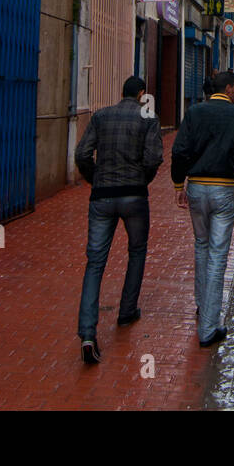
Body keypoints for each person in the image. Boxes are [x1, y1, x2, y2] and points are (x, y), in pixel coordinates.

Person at [74, 76, 163, 365]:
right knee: (136, 252)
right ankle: (127, 310)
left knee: (95, 262)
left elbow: (82, 153)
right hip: (134, 196)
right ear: (140, 94)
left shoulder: (101, 116)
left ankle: (88, 333)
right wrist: (141, 180)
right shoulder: (148, 118)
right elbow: (153, 158)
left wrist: (94, 178)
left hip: (102, 196)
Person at [171, 70, 234, 347]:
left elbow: (179, 151)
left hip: (196, 187)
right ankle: (209, 327)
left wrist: (178, 184)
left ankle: (203, 307)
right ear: (230, 88)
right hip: (223, 189)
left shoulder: (194, 112)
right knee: (218, 255)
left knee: (201, 246)